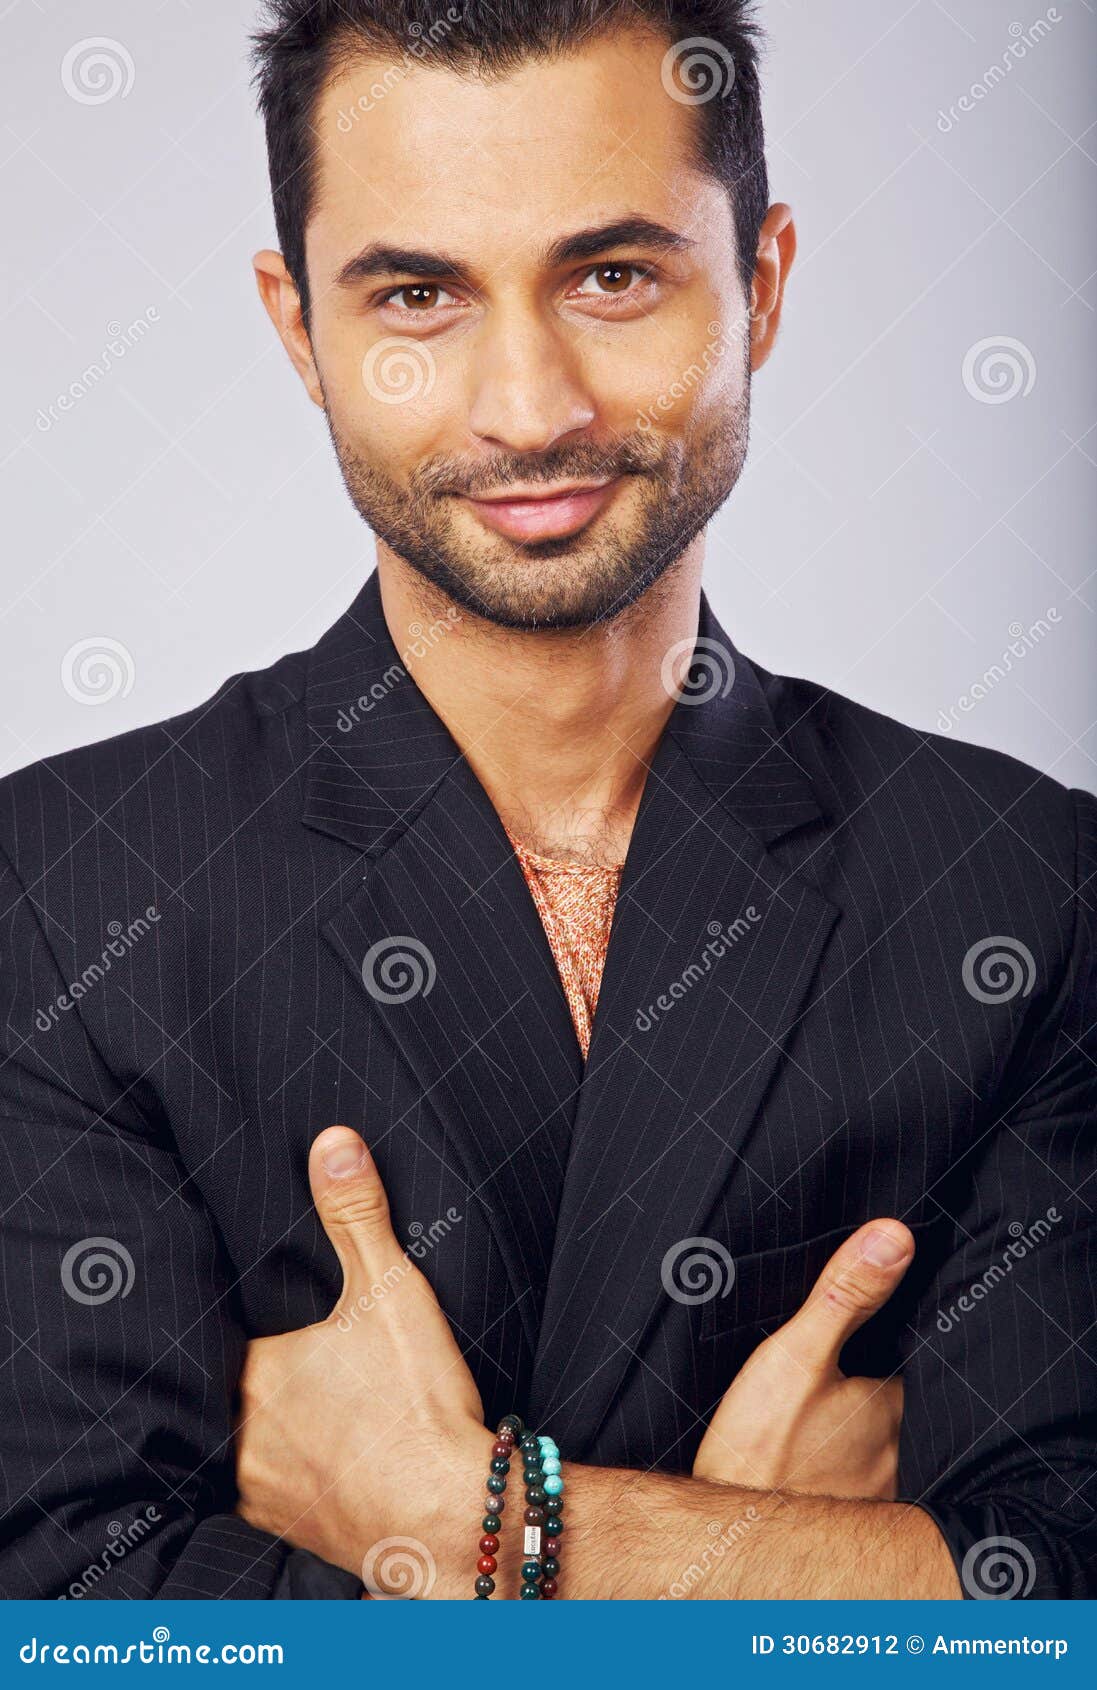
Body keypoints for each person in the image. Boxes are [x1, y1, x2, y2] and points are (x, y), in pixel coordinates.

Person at [0, 0, 1092, 1601]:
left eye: (612, 276)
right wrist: (799, 1571)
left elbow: (1059, 1602)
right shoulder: (65, 884)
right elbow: (70, 1618)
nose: (528, 407)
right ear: (298, 329)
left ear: (761, 284)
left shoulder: (1019, 885)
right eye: (418, 296)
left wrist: (480, 1522)